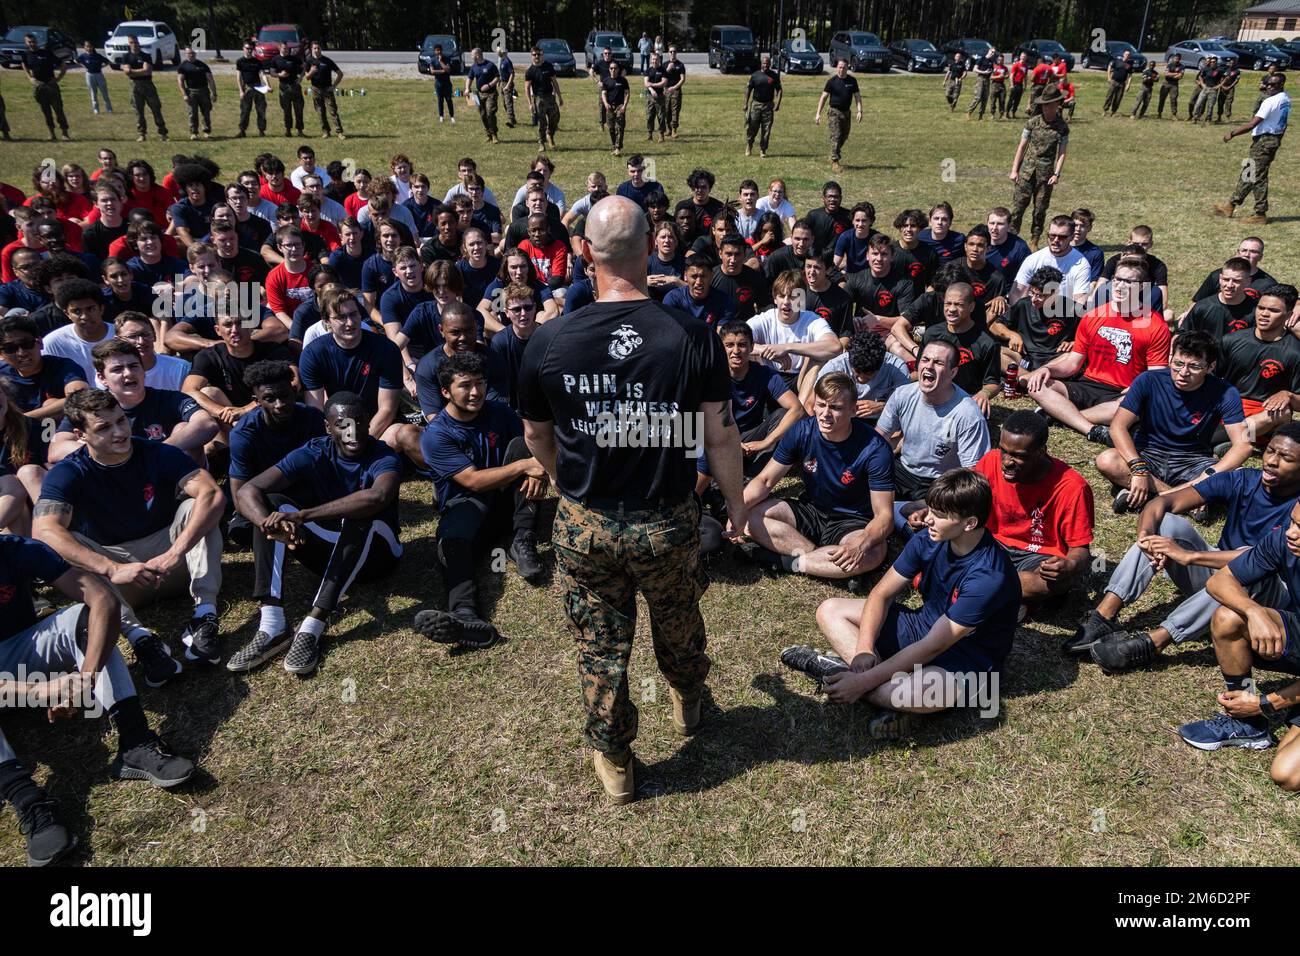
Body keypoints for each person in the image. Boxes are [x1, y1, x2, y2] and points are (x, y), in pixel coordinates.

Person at [516, 196, 745, 804]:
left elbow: (536, 434)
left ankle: (616, 758)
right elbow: (720, 434)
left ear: (585, 253)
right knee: (678, 621)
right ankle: (688, 699)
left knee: (600, 644)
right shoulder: (692, 336)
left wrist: (565, 480)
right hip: (665, 521)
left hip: (586, 522)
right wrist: (738, 508)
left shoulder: (549, 341)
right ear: (650, 251)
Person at [0, 532, 197, 865]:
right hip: (18, 683)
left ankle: (135, 740)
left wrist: (84, 680)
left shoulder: (15, 549)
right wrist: (36, 691)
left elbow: (102, 598)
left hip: (19, 650)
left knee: (85, 617)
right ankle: (28, 800)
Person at [789, 469, 1020, 740]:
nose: (928, 519)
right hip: (921, 628)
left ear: (969, 523)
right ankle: (880, 693)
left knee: (914, 692)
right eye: (930, 509)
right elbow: (881, 595)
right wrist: (864, 650)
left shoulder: (989, 576)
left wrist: (862, 680)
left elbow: (934, 645)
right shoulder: (929, 538)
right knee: (830, 610)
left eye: (941, 515)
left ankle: (838, 673)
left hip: (966, 661)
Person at [1075, 423, 1300, 676]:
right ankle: (1105, 615)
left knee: (1249, 573)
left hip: (1270, 590)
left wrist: (1190, 555)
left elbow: (1259, 560)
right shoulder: (1243, 479)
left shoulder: (1298, 510)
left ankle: (1154, 642)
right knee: (1166, 523)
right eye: (1270, 451)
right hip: (1217, 575)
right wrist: (1146, 536)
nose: (1271, 461)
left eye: (1286, 458)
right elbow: (1164, 501)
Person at [34, 388, 225, 681]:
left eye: (121, 421)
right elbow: (44, 531)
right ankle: (141, 638)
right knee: (64, 542)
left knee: (196, 506)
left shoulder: (158, 451)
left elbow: (211, 494)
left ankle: (205, 615)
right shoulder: (68, 472)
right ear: (80, 434)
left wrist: (174, 554)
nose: (119, 432)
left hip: (174, 561)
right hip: (119, 578)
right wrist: (112, 568)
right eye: (104, 427)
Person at [232, 390, 401, 676]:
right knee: (272, 506)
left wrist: (303, 516)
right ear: (328, 427)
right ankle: (272, 623)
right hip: (329, 549)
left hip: (377, 554)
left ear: (369, 422)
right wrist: (270, 525)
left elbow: (377, 497)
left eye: (360, 421)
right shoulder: (314, 450)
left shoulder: (383, 455)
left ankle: (312, 626)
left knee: (361, 516)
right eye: (342, 424)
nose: (353, 431)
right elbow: (249, 490)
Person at [415, 352, 545, 647]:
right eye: (465, 385)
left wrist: (537, 470)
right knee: (452, 544)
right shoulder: (436, 435)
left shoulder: (500, 412)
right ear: (446, 392)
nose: (475, 392)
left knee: (520, 444)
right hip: (467, 504)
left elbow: (533, 444)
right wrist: (525, 467)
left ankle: (522, 539)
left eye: (480, 383)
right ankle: (465, 617)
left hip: (509, 501)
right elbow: (472, 481)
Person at [1174, 503, 1300, 777]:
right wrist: (1254, 612)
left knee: (1286, 774)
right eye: (1292, 522)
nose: (1291, 533)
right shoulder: (1285, 540)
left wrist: (1267, 703)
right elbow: (1221, 581)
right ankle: (1248, 723)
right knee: (1228, 617)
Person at [740, 371, 893, 582]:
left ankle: (784, 561)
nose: (825, 414)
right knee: (753, 517)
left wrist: (863, 540)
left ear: (853, 410)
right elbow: (765, 480)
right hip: (811, 510)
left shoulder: (875, 449)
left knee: (875, 551)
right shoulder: (802, 431)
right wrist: (737, 511)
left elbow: (884, 516)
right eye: (821, 405)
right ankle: (824, 563)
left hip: (852, 520)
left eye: (835, 407)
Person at [1099, 331, 1251, 517]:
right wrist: (1138, 467)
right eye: (1178, 364)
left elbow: (1244, 445)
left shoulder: (1227, 392)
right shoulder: (1148, 380)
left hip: (1194, 460)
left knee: (1241, 478)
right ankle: (1187, 499)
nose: (1183, 373)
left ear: (1210, 367)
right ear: (1171, 358)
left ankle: (1150, 495)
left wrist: (1210, 473)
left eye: (1194, 366)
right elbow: (1118, 427)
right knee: (1107, 460)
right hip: (1148, 454)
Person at [1027, 255, 1169, 444]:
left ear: (1143, 286)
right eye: (1117, 279)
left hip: (1122, 392)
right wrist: (1047, 369)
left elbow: (1156, 377)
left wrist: (1137, 388)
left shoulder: (1155, 325)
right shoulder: (1093, 316)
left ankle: (1060, 415)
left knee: (1138, 406)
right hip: (1087, 384)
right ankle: (1092, 429)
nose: (1119, 286)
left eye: (1128, 282)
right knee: (1038, 386)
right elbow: (1073, 363)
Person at [965, 410, 1093, 617]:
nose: (1006, 461)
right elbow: (964, 499)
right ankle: (1008, 598)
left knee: (1046, 582)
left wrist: (1068, 564)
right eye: (1003, 451)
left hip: (1038, 556)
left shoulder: (1072, 487)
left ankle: (978, 589)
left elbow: (1081, 550)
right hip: (991, 544)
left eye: (1018, 456)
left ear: (1041, 451)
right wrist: (932, 511)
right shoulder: (990, 462)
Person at [47, 338, 217, 465]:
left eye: (134, 366)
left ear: (143, 370)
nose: (128, 373)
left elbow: (207, 424)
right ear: (102, 378)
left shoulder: (170, 399)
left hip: (168, 478)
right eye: (117, 369)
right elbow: (56, 450)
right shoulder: (89, 406)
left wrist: (153, 452)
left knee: (183, 428)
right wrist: (117, 452)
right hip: (115, 480)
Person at [876, 338, 990, 526]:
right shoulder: (903, 394)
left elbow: (973, 476)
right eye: (925, 360)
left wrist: (942, 500)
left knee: (930, 522)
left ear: (953, 372)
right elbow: (879, 439)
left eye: (938, 363)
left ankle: (907, 514)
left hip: (940, 482)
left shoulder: (968, 415)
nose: (928, 366)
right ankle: (898, 511)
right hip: (903, 469)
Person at [300, 288, 419, 461]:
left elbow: (387, 409)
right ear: (326, 321)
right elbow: (315, 411)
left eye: (354, 314)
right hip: (338, 427)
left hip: (378, 425)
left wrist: (360, 443)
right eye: (341, 317)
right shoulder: (313, 353)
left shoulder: (385, 349)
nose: (350, 322)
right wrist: (344, 442)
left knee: (408, 434)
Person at [227, 360, 326, 547]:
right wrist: (271, 523)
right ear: (256, 402)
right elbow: (239, 496)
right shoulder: (243, 435)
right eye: (270, 399)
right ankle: (279, 533)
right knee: (241, 529)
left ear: (294, 391)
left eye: (284, 395)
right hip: (264, 498)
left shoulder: (313, 419)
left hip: (307, 498)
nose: (279, 404)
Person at [183, 311, 295, 445]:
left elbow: (295, 383)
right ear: (218, 330)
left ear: (251, 327)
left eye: (240, 323)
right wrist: (224, 412)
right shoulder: (210, 356)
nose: (235, 330)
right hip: (232, 423)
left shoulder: (273, 351)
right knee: (209, 393)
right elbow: (188, 391)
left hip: (271, 413)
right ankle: (239, 445)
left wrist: (244, 410)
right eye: (228, 325)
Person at [1219, 285, 1300, 445]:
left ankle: (1230, 440)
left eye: (1273, 310)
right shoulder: (1231, 340)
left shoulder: (1295, 353)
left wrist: (1288, 395)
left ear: (1288, 315)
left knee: (1283, 412)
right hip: (1230, 406)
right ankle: (1236, 439)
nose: (1264, 314)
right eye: (1260, 308)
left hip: (1263, 414)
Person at [1213, 73, 1288, 226]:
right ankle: (1231, 205)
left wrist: (1232, 134)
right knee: (1248, 172)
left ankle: (1260, 213)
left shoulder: (1271, 101)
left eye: (1273, 84)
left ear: (1281, 85)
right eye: (1268, 84)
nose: (1269, 87)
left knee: (1257, 177)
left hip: (1264, 142)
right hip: (1270, 140)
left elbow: (1252, 124)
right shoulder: (1285, 99)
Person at [920, 281, 1002, 416]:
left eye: (958, 304)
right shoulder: (932, 334)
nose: (951, 309)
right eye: (948, 303)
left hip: (966, 401)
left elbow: (993, 383)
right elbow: (920, 371)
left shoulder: (987, 342)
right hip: (933, 395)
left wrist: (984, 393)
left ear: (971, 307)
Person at [1008, 85, 1068, 247]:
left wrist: (1056, 174)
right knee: (1018, 208)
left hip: (1046, 176)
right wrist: (1014, 170)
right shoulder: (1032, 123)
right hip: (1026, 173)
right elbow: (1021, 147)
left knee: (1040, 210)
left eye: (1050, 104)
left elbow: (1062, 153)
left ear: (1057, 104)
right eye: (1044, 104)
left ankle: (1034, 239)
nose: (1046, 108)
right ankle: (1012, 239)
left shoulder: (1062, 127)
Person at [814, 329, 910, 423]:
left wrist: (883, 406)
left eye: (869, 373)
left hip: (881, 421)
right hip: (840, 419)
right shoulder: (835, 366)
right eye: (857, 371)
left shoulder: (897, 368)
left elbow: (907, 406)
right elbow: (814, 403)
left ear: (881, 364)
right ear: (849, 359)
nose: (861, 378)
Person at [40, 278, 115, 382]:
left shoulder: (120, 335)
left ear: (101, 308)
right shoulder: (53, 342)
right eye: (77, 311)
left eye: (91, 309)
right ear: (67, 314)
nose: (85, 316)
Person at [1179, 257, 1256, 339]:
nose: (1229, 285)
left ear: (1248, 282)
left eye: (1236, 281)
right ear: (1220, 279)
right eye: (1226, 279)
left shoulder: (1256, 310)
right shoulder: (1202, 307)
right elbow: (1183, 336)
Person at [815, 59, 862, 173]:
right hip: (834, 112)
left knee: (844, 136)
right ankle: (835, 162)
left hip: (846, 113)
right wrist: (818, 113)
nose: (841, 70)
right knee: (836, 136)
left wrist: (860, 111)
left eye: (844, 67)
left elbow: (857, 97)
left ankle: (832, 154)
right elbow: (824, 97)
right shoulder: (832, 81)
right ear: (837, 67)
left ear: (847, 68)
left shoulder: (852, 81)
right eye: (840, 67)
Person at [21, 32, 70, 142]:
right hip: (39, 87)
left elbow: (63, 65)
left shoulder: (46, 53)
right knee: (45, 111)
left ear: (36, 41)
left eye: (33, 41)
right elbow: (24, 64)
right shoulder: (26, 55)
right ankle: (52, 134)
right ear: (26, 43)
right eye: (29, 42)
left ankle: (64, 133)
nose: (32, 44)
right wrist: (29, 77)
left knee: (58, 110)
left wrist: (58, 78)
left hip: (51, 85)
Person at [121, 36, 167, 143]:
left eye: (135, 42)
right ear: (129, 43)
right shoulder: (126, 57)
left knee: (156, 108)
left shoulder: (146, 55)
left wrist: (133, 71)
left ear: (138, 42)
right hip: (134, 86)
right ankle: (142, 134)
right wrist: (136, 71)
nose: (134, 44)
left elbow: (147, 71)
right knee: (138, 111)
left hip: (148, 85)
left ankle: (163, 132)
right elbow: (127, 71)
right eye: (131, 42)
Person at [304, 40, 346, 139]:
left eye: (318, 48)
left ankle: (339, 132)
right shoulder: (309, 61)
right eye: (314, 48)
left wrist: (334, 86)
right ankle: (326, 131)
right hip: (315, 89)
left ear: (321, 49)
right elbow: (307, 77)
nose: (316, 50)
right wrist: (312, 71)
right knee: (320, 111)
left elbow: (340, 73)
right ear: (311, 49)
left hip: (327, 89)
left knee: (333, 111)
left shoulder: (327, 61)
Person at [744, 53, 782, 158]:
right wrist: (746, 104)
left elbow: (779, 90)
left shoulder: (774, 76)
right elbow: (748, 90)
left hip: (768, 106)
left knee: (766, 129)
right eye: (764, 63)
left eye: (767, 64)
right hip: (756, 105)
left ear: (770, 64)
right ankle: (749, 145)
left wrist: (778, 104)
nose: (765, 65)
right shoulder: (755, 75)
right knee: (752, 127)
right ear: (761, 64)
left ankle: (763, 150)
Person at [176, 45, 216, 141]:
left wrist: (214, 93)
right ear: (186, 54)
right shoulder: (183, 66)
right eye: (189, 53)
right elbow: (180, 81)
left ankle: (207, 131)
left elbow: (210, 79)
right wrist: (184, 94)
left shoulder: (203, 65)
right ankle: (194, 133)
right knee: (192, 113)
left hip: (204, 91)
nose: (191, 55)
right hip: (191, 92)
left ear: (196, 53)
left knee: (206, 112)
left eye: (193, 53)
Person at [525, 47, 562, 150]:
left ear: (542, 55)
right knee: (542, 122)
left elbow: (555, 82)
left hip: (550, 97)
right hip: (538, 99)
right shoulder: (530, 71)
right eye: (534, 54)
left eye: (539, 54)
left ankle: (550, 135)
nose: (537, 56)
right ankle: (541, 142)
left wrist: (559, 97)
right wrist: (530, 104)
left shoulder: (548, 66)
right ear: (531, 56)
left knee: (555, 119)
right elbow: (527, 88)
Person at [271, 39, 306, 137]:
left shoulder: (295, 58)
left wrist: (301, 77)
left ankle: (300, 131)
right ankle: (288, 130)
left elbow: (304, 66)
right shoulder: (275, 60)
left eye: (287, 48)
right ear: (279, 48)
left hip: (295, 86)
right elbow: (272, 73)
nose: (286, 50)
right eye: (284, 48)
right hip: (284, 88)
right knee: (286, 110)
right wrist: (280, 74)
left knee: (299, 109)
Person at [465, 48, 501, 145]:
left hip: (491, 93)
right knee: (482, 114)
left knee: (490, 113)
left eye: (472, 55)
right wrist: (467, 88)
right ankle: (488, 134)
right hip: (478, 94)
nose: (471, 57)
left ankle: (494, 135)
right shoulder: (473, 67)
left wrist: (489, 85)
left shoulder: (490, 65)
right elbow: (469, 78)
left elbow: (497, 78)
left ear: (477, 55)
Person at [234, 40, 268, 138]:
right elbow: (238, 77)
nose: (249, 51)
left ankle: (261, 130)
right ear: (243, 49)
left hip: (259, 87)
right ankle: (242, 131)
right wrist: (241, 90)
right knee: (245, 110)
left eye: (251, 49)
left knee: (261, 110)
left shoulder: (257, 61)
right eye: (247, 49)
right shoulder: (240, 61)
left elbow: (262, 74)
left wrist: (267, 85)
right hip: (247, 87)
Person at [78, 39, 115, 116]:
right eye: (87, 46)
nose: (89, 48)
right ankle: (96, 110)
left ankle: (109, 109)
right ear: (84, 47)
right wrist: (84, 66)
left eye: (90, 46)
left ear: (92, 47)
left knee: (104, 92)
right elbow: (76, 61)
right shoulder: (83, 56)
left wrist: (102, 67)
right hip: (89, 75)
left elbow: (108, 62)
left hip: (99, 75)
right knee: (93, 93)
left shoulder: (97, 56)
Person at [601, 60, 630, 156]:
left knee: (620, 127)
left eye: (615, 68)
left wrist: (624, 106)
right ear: (609, 70)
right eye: (611, 68)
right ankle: (614, 145)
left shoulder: (623, 80)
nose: (613, 70)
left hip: (620, 106)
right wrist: (606, 104)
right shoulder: (606, 81)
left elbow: (627, 93)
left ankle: (618, 148)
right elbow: (603, 93)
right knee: (611, 128)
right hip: (609, 106)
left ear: (618, 69)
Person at [664, 45, 686, 138]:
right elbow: (662, 78)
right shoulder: (664, 64)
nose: (672, 53)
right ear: (668, 53)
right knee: (666, 111)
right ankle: (668, 129)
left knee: (675, 111)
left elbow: (683, 79)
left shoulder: (680, 65)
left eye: (674, 51)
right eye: (671, 52)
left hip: (676, 91)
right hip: (666, 90)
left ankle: (674, 130)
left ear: (676, 53)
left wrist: (675, 87)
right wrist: (668, 69)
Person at [1103, 49, 1135, 116]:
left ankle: (1113, 112)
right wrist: (1109, 77)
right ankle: (1105, 110)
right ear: (1123, 54)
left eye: (1128, 55)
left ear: (1129, 56)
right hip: (1114, 81)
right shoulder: (1117, 61)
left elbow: (1130, 76)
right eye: (1126, 54)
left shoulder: (1129, 65)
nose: (1127, 56)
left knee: (1118, 98)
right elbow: (1110, 66)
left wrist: (1128, 84)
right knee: (1109, 96)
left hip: (1122, 83)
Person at [644, 52, 668, 142]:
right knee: (649, 116)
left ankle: (661, 135)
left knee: (661, 116)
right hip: (650, 96)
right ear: (651, 60)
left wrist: (653, 84)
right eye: (653, 59)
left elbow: (664, 83)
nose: (654, 61)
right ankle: (649, 134)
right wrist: (652, 90)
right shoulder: (648, 70)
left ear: (659, 60)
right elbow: (646, 83)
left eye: (656, 59)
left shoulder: (663, 70)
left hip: (660, 97)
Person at [965, 46, 993, 120]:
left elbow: (991, 71)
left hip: (987, 80)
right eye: (992, 52)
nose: (992, 54)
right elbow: (974, 69)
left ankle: (981, 116)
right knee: (978, 97)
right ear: (989, 51)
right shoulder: (982, 59)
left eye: (994, 53)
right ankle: (969, 112)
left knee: (985, 98)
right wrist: (984, 72)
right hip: (981, 79)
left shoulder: (991, 61)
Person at [430, 43, 455, 123]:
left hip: (447, 83)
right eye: (437, 50)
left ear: (442, 50)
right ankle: (441, 116)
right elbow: (432, 71)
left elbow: (448, 69)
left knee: (449, 99)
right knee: (440, 100)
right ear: (435, 51)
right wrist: (442, 71)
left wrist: (440, 61)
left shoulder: (447, 58)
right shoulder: (433, 60)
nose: (439, 52)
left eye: (440, 50)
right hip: (438, 83)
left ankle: (452, 116)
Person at [1158, 52, 1184, 118]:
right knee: (1162, 99)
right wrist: (1176, 73)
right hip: (1166, 83)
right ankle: (1159, 113)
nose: (1176, 60)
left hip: (1174, 84)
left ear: (1179, 59)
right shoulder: (1169, 65)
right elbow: (1166, 74)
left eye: (1177, 58)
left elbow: (1180, 76)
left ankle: (1174, 114)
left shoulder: (1182, 66)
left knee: (1173, 99)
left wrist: (1172, 74)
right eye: (1175, 58)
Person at [1217, 55, 1241, 123]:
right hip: (1223, 87)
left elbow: (1236, 80)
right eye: (1230, 63)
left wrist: (1230, 87)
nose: (1231, 64)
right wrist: (1222, 86)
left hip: (1230, 88)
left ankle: (1228, 116)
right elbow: (1221, 78)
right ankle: (1219, 117)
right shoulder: (1225, 69)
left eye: (1233, 63)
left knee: (1229, 102)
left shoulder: (1237, 71)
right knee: (1220, 102)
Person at [498, 48, 516, 128]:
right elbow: (501, 73)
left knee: (508, 102)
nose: (498, 53)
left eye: (499, 52)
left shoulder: (507, 61)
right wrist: (499, 82)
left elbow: (512, 74)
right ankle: (513, 119)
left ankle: (511, 120)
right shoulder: (502, 60)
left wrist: (508, 85)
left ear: (504, 52)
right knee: (504, 103)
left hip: (507, 83)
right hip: (502, 83)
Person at [1007, 52, 1029, 118]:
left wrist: (1025, 85)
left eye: (1024, 56)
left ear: (1026, 58)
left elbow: (1025, 76)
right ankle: (1007, 113)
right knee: (1011, 100)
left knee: (1017, 100)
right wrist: (1012, 85)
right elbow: (1011, 75)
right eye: (1022, 56)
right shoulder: (1016, 65)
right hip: (1015, 84)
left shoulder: (1025, 66)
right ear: (1020, 57)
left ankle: (1013, 113)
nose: (1023, 57)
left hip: (1020, 85)